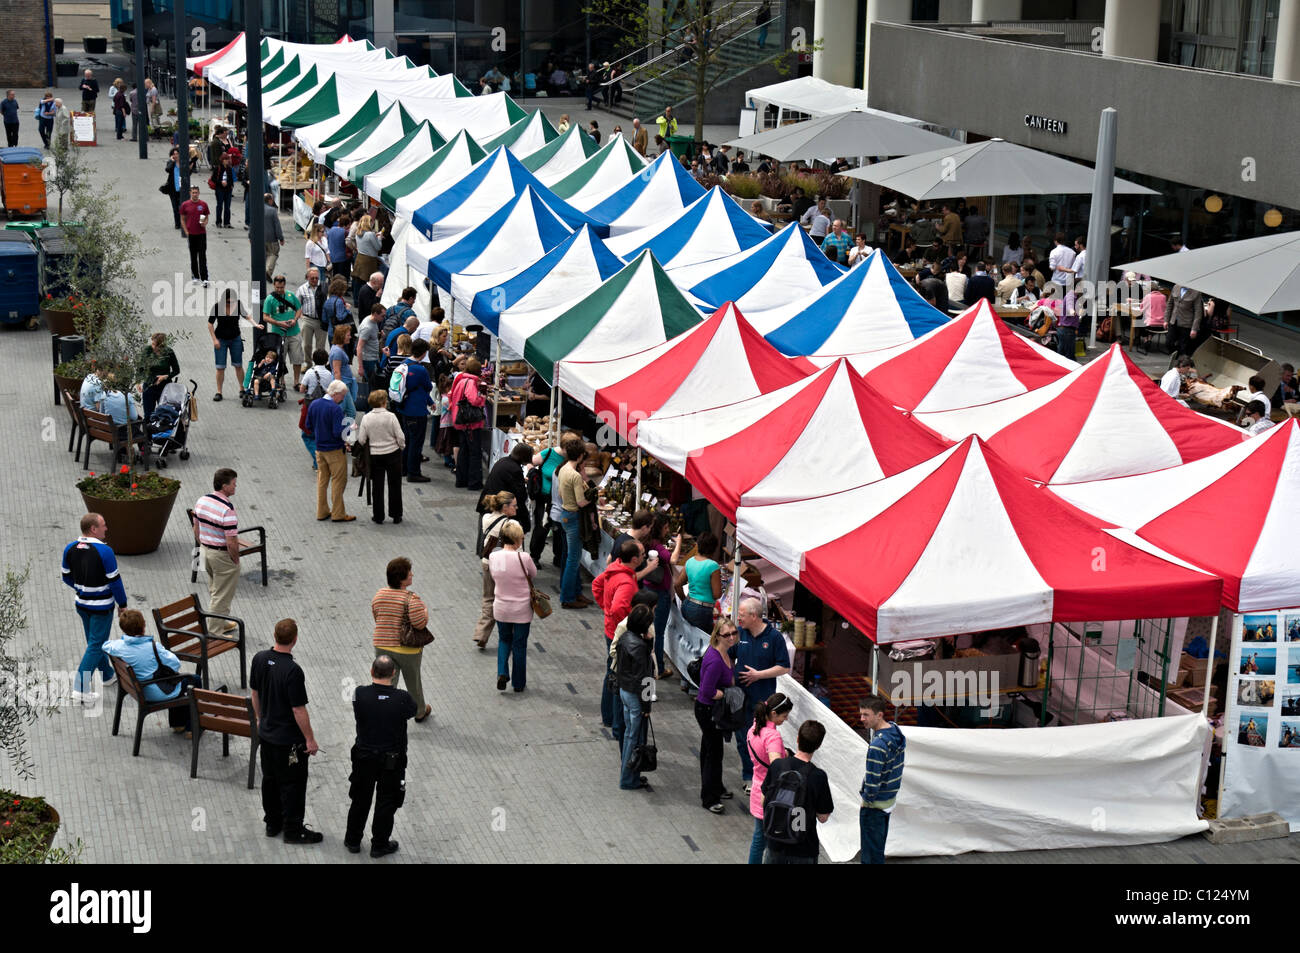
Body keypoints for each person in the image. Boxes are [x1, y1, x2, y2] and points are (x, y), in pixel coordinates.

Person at [250, 619, 323, 845]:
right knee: (293, 784)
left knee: (270, 780)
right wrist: (310, 739)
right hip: (289, 742)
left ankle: (273, 823)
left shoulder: (259, 659)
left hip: (267, 736)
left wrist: (260, 718)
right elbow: (298, 709)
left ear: (274, 635)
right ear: (295, 639)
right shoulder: (293, 670)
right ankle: (293, 830)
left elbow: (254, 692)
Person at [344, 654, 416, 858]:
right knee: (387, 802)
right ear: (394, 674)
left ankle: (353, 840)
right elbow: (413, 710)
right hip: (392, 761)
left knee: (360, 798)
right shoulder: (402, 699)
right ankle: (379, 844)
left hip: (363, 757)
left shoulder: (359, 694)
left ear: (371, 671)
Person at [62, 513, 128, 702]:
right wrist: (122, 604)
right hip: (101, 608)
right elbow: (115, 582)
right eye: (103, 525)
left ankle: (107, 675)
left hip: (81, 604)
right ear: (93, 529)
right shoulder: (105, 552)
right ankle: (80, 688)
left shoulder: (70, 548)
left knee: (94, 642)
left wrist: (82, 588)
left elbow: (66, 576)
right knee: (96, 645)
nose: (106, 528)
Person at [103, 609, 201, 732]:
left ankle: (178, 724)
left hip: (136, 689)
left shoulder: (118, 647)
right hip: (155, 692)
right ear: (143, 627)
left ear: (123, 629)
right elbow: (176, 664)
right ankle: (193, 728)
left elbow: (105, 645)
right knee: (193, 679)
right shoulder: (153, 647)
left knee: (178, 680)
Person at [733, 597, 791, 793]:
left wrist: (759, 675)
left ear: (754, 616)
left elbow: (784, 666)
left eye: (741, 615)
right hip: (740, 697)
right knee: (743, 738)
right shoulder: (740, 633)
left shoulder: (774, 638)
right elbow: (726, 652)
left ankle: (763, 775)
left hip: (762, 700)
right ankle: (748, 775)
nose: (738, 618)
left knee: (762, 738)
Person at [762, 720, 835, 863]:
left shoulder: (778, 765)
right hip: (804, 847)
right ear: (818, 746)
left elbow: (764, 800)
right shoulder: (818, 776)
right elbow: (823, 817)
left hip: (775, 841)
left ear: (797, 739)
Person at [371, 557, 432, 723]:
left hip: (382, 646)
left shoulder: (379, 595)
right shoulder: (411, 599)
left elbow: (377, 616)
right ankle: (419, 712)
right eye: (409, 573)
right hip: (407, 650)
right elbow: (419, 624)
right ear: (401, 579)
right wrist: (425, 613)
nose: (412, 574)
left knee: (387, 683)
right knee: (413, 683)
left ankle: (384, 711)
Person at [595, 539, 644, 728]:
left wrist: (605, 608)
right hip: (618, 634)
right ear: (633, 559)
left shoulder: (613, 569)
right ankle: (617, 723)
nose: (644, 556)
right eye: (641, 554)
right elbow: (618, 609)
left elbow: (596, 586)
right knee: (619, 678)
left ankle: (608, 717)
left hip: (611, 630)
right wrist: (627, 629)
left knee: (611, 673)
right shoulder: (626, 582)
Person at [697, 618, 739, 814]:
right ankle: (709, 797)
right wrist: (725, 694)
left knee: (710, 750)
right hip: (708, 710)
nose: (731, 637)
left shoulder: (724, 652)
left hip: (709, 709)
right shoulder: (715, 660)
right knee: (714, 753)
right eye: (727, 634)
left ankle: (716, 787)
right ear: (717, 636)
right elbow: (706, 691)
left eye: (733, 633)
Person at [192, 468, 242, 630]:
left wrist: (203, 544)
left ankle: (220, 621)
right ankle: (215, 631)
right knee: (222, 595)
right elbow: (232, 541)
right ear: (224, 486)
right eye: (233, 484)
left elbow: (196, 528)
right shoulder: (227, 510)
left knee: (215, 589)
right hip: (221, 555)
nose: (235, 486)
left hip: (205, 551)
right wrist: (235, 559)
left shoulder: (202, 500)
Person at [488, 522, 537, 692]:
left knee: (504, 640)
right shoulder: (524, 557)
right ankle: (518, 683)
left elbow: (494, 575)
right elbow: (533, 574)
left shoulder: (494, 556)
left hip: (501, 607)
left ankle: (502, 672)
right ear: (517, 539)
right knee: (519, 645)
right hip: (522, 609)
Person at [858, 694, 906, 864]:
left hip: (875, 807)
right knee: (878, 851)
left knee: (870, 856)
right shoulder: (894, 730)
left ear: (879, 715)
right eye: (861, 713)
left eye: (866, 714)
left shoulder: (877, 745)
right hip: (888, 801)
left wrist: (867, 801)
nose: (861, 718)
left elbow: (873, 780)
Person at [746, 692, 793, 863]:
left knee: (758, 839)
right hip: (772, 796)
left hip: (758, 788)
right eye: (784, 716)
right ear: (773, 713)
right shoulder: (772, 736)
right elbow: (776, 767)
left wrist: (782, 752)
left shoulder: (754, 728)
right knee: (772, 842)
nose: (785, 720)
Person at [614, 603, 657, 792]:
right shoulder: (639, 647)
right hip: (635, 695)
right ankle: (628, 778)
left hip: (625, 690)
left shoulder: (625, 638)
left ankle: (628, 773)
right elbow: (646, 678)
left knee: (628, 734)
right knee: (634, 737)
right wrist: (647, 707)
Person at [474, 490, 522, 649]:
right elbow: (519, 550)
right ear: (505, 507)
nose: (517, 508)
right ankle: (511, 635)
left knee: (488, 598)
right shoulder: (512, 525)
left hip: (487, 562)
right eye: (514, 506)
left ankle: (481, 634)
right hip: (504, 567)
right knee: (506, 600)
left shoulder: (486, 518)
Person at [355, 390, 405, 524]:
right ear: (383, 402)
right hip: (393, 453)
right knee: (395, 484)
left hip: (375, 455)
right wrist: (401, 447)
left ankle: (378, 516)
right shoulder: (391, 417)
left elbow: (361, 439)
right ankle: (396, 515)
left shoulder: (366, 418)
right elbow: (400, 436)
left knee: (377, 486)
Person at [555, 440, 593, 609]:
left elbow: (560, 493)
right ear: (579, 456)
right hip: (573, 516)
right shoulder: (575, 475)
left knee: (572, 558)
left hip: (565, 514)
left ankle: (575, 592)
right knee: (573, 560)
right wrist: (593, 495)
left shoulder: (563, 469)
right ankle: (568, 597)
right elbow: (581, 502)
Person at [640, 515, 679, 678]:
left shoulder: (648, 542)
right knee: (659, 632)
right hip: (659, 593)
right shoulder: (657, 545)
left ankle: (649, 665)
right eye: (666, 527)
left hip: (648, 588)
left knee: (649, 629)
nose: (668, 530)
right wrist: (679, 543)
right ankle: (659, 669)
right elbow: (674, 559)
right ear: (660, 528)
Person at [309, 380, 354, 522]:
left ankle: (321, 512)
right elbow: (337, 432)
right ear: (335, 394)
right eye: (342, 396)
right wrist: (350, 429)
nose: (343, 399)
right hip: (334, 450)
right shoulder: (335, 409)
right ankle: (338, 513)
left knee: (322, 482)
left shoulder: (314, 404)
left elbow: (308, 425)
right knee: (338, 481)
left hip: (319, 449)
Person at [396, 338, 434, 482]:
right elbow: (428, 387)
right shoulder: (420, 369)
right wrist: (429, 400)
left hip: (405, 407)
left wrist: (429, 401)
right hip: (417, 411)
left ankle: (404, 468)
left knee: (407, 440)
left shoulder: (404, 364)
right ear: (423, 353)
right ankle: (414, 472)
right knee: (416, 442)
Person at [449, 356, 487, 490]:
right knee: (474, 453)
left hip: (460, 421)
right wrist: (482, 398)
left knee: (464, 451)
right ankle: (474, 482)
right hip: (470, 423)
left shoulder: (460, 380)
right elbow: (473, 400)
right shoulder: (470, 382)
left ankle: (461, 480)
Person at [479, 443, 533, 536]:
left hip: (488, 507)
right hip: (500, 511)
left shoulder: (503, 461)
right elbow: (520, 496)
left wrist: (520, 480)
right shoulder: (515, 469)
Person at [675, 530, 721, 634]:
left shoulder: (690, 561)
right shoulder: (713, 566)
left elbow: (677, 585)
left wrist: (684, 600)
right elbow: (717, 594)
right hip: (702, 610)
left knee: (690, 640)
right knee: (703, 643)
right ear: (713, 548)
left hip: (688, 604)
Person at [263, 275, 305, 388]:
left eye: (281, 287)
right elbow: (265, 317)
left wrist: (295, 319)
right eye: (277, 287)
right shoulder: (270, 299)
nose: (279, 290)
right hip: (278, 335)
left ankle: (296, 382)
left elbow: (299, 309)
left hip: (294, 333)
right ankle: (281, 381)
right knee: (280, 359)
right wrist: (278, 323)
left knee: (297, 359)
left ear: (284, 285)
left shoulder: (291, 296)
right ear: (274, 285)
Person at [141, 332, 180, 420]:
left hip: (164, 388)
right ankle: (148, 433)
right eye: (152, 344)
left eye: (155, 345)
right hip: (149, 387)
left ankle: (161, 433)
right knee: (148, 415)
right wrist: (137, 383)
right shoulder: (147, 351)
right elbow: (140, 368)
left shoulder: (169, 352)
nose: (153, 347)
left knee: (164, 414)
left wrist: (165, 376)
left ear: (161, 346)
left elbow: (176, 370)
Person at [179, 185, 211, 286]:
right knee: (193, 256)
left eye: (196, 192)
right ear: (190, 193)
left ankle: (205, 278)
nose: (195, 194)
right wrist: (186, 232)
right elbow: (182, 219)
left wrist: (205, 223)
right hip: (191, 234)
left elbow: (206, 217)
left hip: (201, 234)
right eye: (193, 192)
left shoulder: (203, 204)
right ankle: (195, 276)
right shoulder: (185, 205)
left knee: (202, 256)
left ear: (199, 193)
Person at [1166, 283, 1204, 358]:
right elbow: (1169, 304)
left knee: (1183, 346)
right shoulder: (1176, 287)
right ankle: (1176, 357)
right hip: (1173, 321)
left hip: (1186, 324)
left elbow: (1198, 312)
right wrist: (1166, 320)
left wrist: (1194, 329)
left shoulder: (1196, 292)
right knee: (1169, 342)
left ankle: (1179, 363)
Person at [296, 268, 328, 359]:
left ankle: (318, 366)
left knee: (320, 347)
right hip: (307, 320)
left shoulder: (324, 287)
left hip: (321, 320)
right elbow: (297, 305)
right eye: (312, 278)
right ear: (307, 278)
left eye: (316, 278)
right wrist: (301, 316)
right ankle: (308, 364)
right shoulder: (302, 289)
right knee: (306, 345)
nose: (315, 280)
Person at [352, 218, 383, 302]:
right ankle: (365, 301)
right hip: (369, 261)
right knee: (367, 283)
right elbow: (378, 247)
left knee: (358, 281)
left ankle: (356, 300)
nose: (373, 223)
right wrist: (379, 238)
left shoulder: (358, 233)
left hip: (360, 258)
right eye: (372, 221)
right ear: (368, 223)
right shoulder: (370, 234)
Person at [329, 325, 356, 406]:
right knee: (347, 410)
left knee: (349, 410)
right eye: (348, 335)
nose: (350, 337)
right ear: (341, 336)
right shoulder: (337, 352)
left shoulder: (340, 348)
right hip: (343, 384)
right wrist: (340, 389)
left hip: (345, 382)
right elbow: (337, 372)